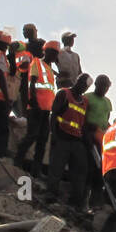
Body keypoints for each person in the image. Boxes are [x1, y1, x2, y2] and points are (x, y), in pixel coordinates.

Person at [45, 73, 91, 208]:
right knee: (56, 168)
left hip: (77, 140)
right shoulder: (64, 94)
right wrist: (53, 134)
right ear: (77, 81)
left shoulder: (85, 102)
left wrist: (85, 140)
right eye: (81, 83)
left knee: (80, 171)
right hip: (62, 137)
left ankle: (76, 201)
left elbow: (84, 123)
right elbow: (54, 115)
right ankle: (51, 195)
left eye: (85, 86)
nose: (83, 88)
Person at [14, 39, 59, 177]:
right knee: (32, 135)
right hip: (36, 107)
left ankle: (36, 170)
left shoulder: (50, 70)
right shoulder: (37, 62)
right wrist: (33, 101)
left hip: (46, 109)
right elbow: (31, 83)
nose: (55, 56)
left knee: (43, 140)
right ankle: (17, 162)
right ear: (46, 51)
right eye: (53, 52)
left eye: (56, 53)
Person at [83, 75, 113, 205]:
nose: (104, 89)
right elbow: (82, 116)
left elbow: (106, 120)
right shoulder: (88, 97)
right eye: (102, 86)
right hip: (88, 135)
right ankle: (82, 200)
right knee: (87, 169)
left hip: (101, 140)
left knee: (99, 172)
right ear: (96, 84)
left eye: (106, 87)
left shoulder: (107, 102)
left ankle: (94, 203)